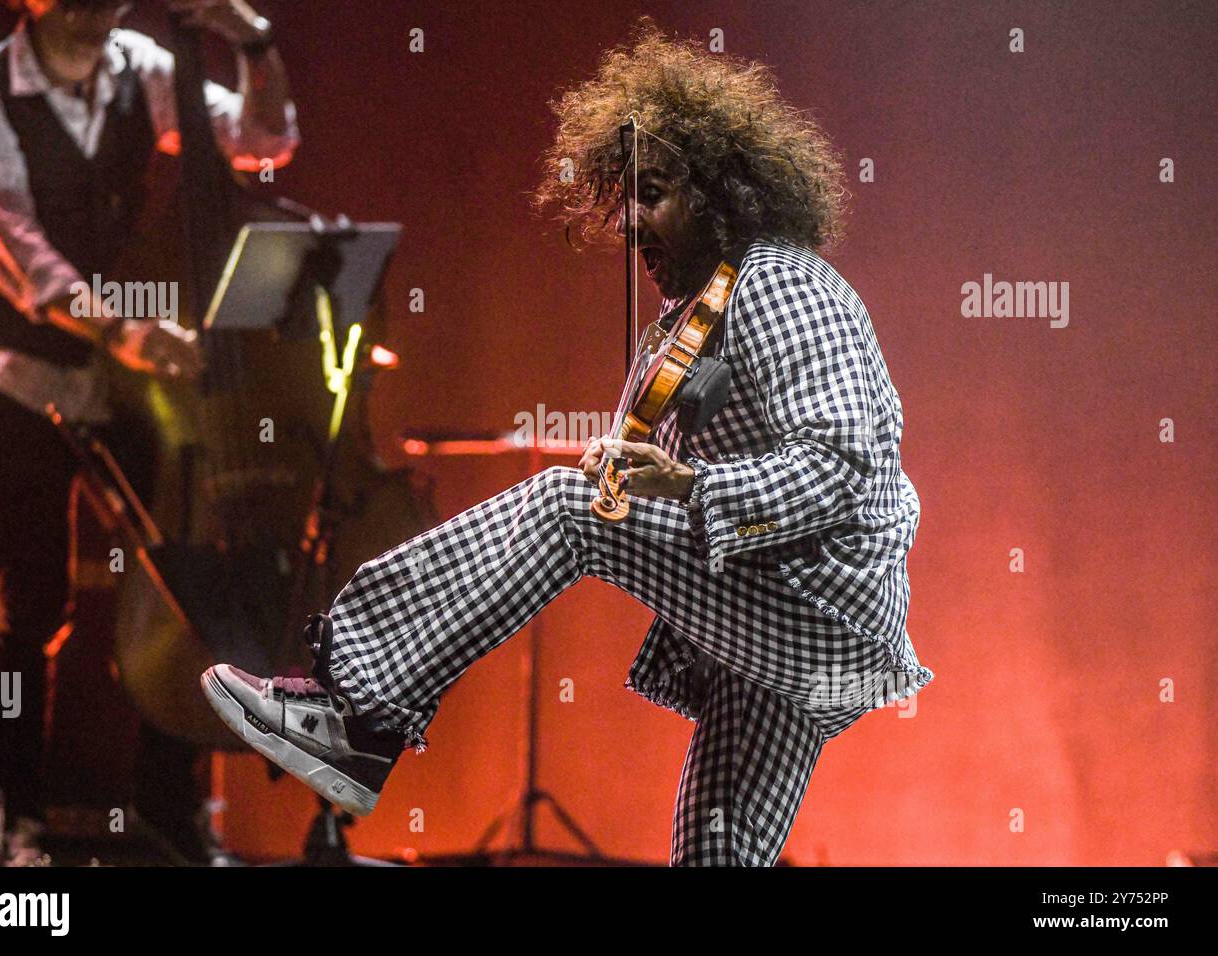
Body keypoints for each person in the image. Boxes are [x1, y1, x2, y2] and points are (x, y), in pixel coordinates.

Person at [202, 25, 933, 866]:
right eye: (623, 198)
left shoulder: (780, 281)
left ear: (719, 192)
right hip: (775, 633)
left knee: (562, 507)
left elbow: (838, 468)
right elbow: (645, 483)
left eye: (653, 192)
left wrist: (688, 485)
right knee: (715, 853)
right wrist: (635, 468)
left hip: (820, 610)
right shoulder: (687, 325)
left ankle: (356, 714)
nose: (630, 223)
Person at [0, 0, 298, 862]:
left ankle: (166, 810)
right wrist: (128, 328)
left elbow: (261, 142)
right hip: (14, 373)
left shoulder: (143, 64)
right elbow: (19, 256)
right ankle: (9, 821)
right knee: (31, 600)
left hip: (124, 380)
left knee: (180, 584)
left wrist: (249, 36)